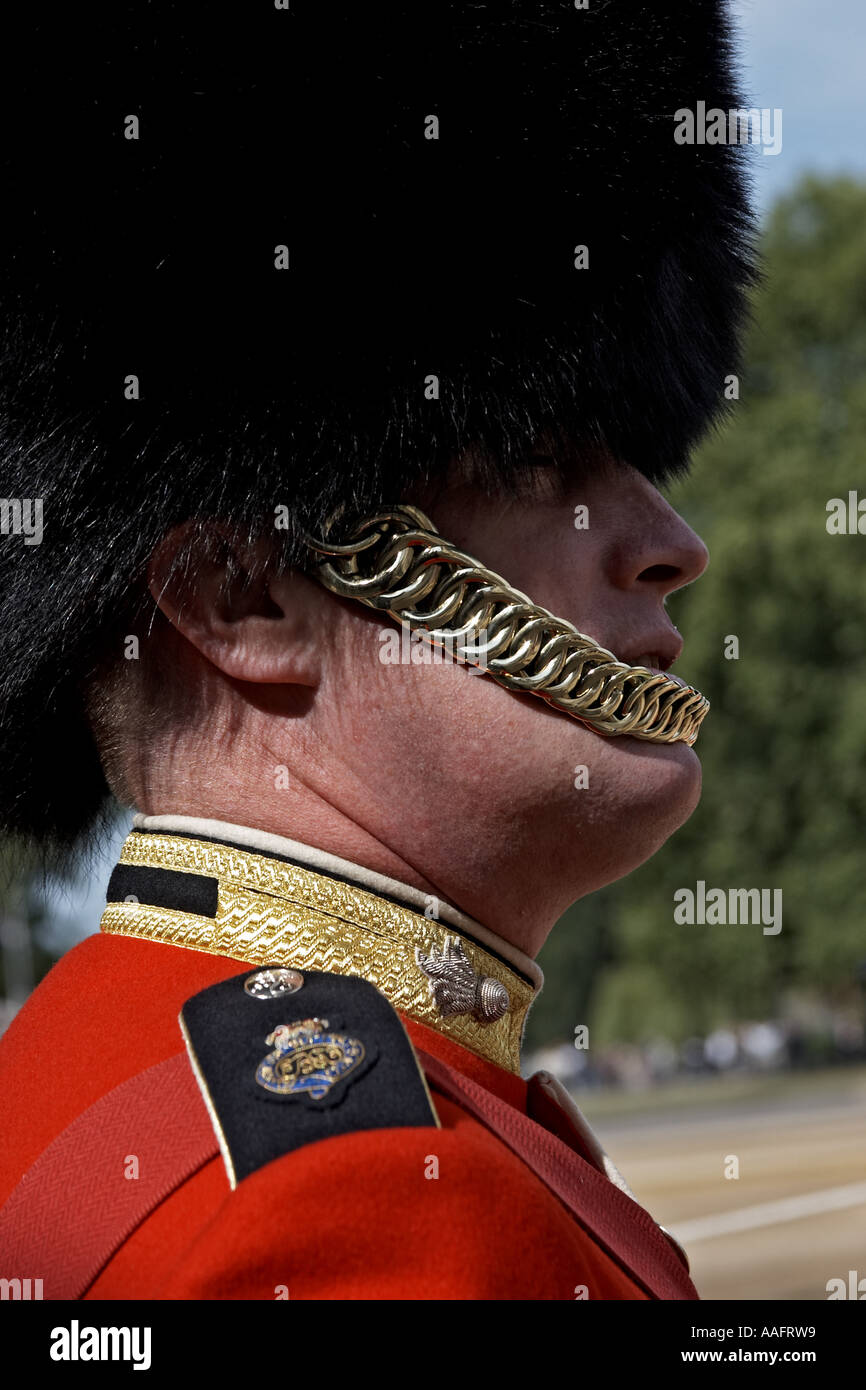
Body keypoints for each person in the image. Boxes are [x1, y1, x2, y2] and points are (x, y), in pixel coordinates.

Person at [0, 3, 754, 1300]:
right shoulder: (363, 1203)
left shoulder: (87, 1068)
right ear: (245, 601)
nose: (669, 538)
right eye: (531, 457)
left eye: (634, 455)